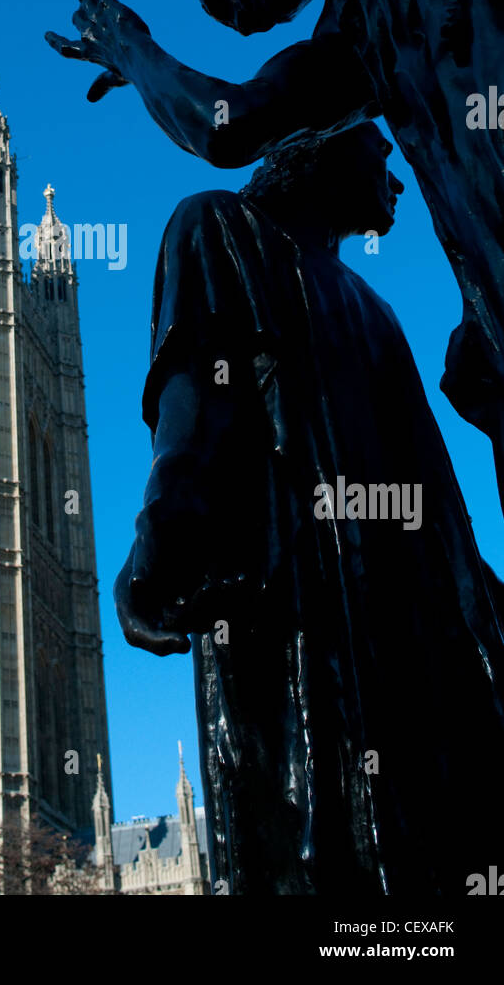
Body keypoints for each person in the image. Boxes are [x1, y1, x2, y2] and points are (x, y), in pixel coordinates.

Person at [45, 0, 504, 511]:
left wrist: (134, 47)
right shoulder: (356, 24)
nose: (246, 10)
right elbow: (233, 124)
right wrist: (133, 50)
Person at [113, 123, 504, 894]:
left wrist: (154, 556)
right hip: (350, 645)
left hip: (320, 636)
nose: (395, 179)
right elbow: (202, 405)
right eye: (381, 155)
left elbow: (443, 524)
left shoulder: (348, 295)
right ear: (317, 152)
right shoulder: (234, 230)